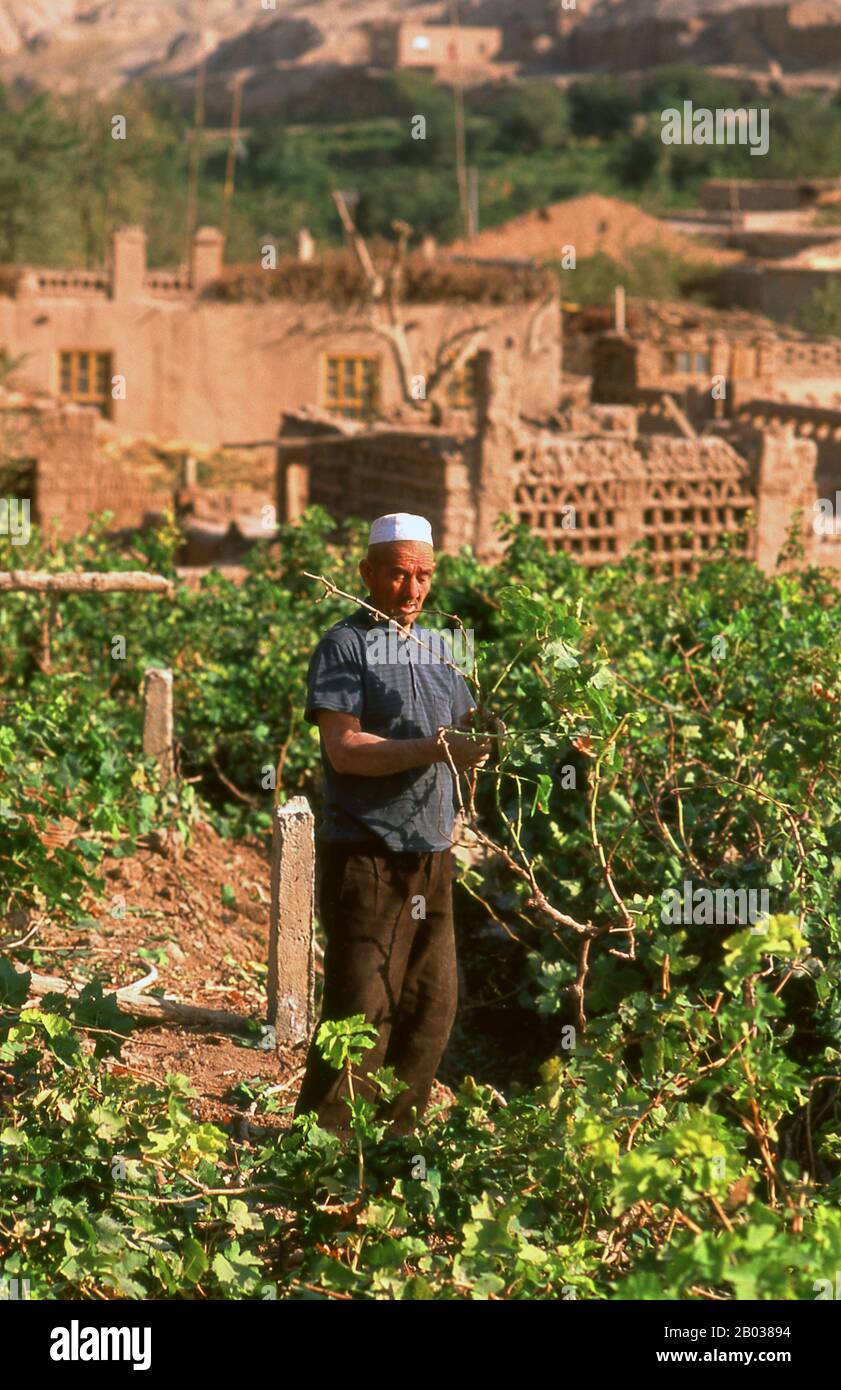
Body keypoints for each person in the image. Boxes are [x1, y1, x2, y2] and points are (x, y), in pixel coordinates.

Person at [293, 512, 491, 1136]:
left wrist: (529, 735)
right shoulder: (344, 645)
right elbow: (344, 749)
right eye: (399, 575)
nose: (412, 591)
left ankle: (390, 1148)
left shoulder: (447, 646)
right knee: (361, 1013)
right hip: (367, 853)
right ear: (368, 574)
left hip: (433, 852)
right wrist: (434, 749)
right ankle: (320, 1156)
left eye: (424, 576)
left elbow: (475, 733)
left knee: (431, 1007)